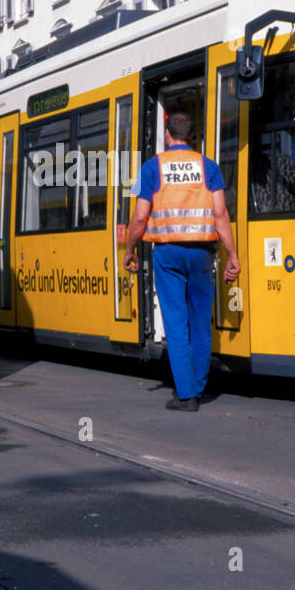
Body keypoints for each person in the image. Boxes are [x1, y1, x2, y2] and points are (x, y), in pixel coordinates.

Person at [123, 112, 240, 411]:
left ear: (167, 134)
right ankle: (198, 386)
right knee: (201, 322)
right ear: (192, 136)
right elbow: (221, 214)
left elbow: (139, 217)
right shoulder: (209, 167)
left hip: (167, 254)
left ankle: (186, 395)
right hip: (202, 252)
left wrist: (130, 249)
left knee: (176, 323)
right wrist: (232, 255)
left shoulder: (152, 168)